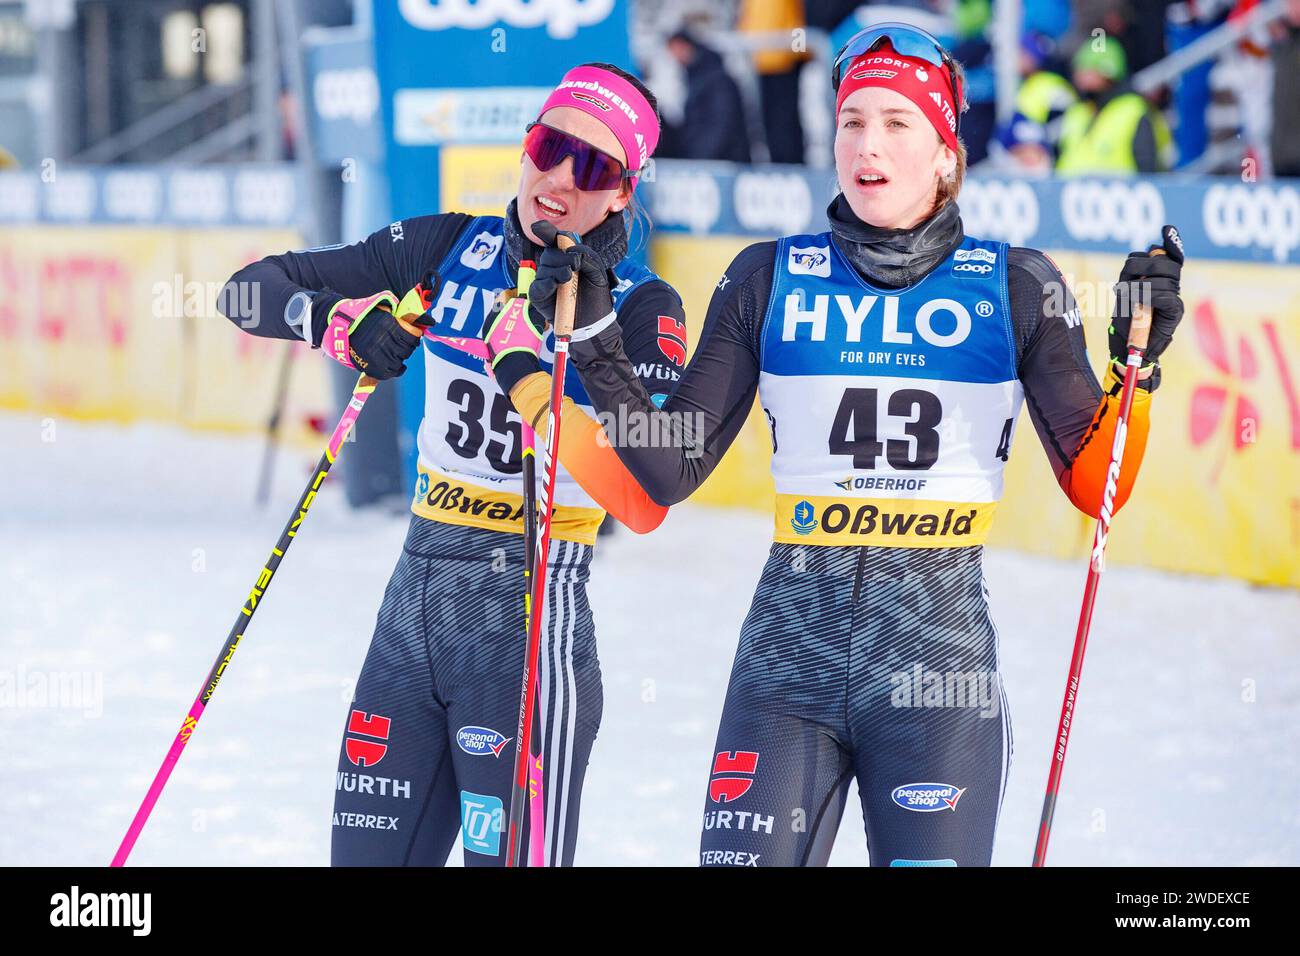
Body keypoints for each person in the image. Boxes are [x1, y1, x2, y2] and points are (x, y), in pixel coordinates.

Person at [531, 23, 1185, 865]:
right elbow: (667, 464)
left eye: (896, 123)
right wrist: (593, 337)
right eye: (851, 121)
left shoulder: (1016, 283)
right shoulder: (768, 274)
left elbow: (1100, 491)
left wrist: (1137, 369)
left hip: (936, 672)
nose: (867, 144)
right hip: (785, 661)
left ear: (946, 154)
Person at [217, 63, 685, 866]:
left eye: (597, 168)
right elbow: (248, 290)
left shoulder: (641, 307)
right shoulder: (446, 246)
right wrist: (335, 325)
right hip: (415, 600)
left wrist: (535, 381)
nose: (561, 177)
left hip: (532, 608)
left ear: (622, 195)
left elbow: (644, 499)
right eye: (551, 145)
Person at [1056, 35, 1173, 174]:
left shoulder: (1133, 109)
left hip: (1121, 193)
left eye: (1089, 68)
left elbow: (1147, 166)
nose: (1081, 75)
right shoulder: (1077, 110)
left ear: (1108, 72)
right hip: (1070, 193)